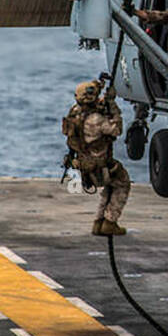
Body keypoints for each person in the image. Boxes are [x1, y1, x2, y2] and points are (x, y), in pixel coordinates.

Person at [62, 78, 131, 236]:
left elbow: (92, 104)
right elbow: (116, 129)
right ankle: (110, 221)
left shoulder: (74, 112)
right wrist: (112, 104)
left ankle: (99, 222)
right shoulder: (97, 120)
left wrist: (100, 89)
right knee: (122, 183)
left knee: (110, 186)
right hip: (100, 166)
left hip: (84, 165)